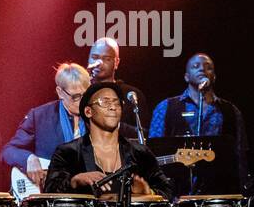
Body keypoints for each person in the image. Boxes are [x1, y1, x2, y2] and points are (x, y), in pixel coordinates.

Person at [44, 82, 173, 200]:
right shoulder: (68, 153)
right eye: (104, 102)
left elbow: (168, 192)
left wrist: (148, 192)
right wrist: (75, 181)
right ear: (88, 111)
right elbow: (49, 193)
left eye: (117, 103)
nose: (113, 107)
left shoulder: (140, 153)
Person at [148, 53, 248, 193]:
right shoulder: (166, 107)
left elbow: (240, 155)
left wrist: (242, 192)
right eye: (196, 66)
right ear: (186, 76)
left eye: (208, 67)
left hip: (218, 192)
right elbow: (154, 151)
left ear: (214, 76)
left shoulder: (230, 111)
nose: (202, 69)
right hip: (175, 192)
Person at [2, 62, 91, 189]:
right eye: (76, 97)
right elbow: (8, 151)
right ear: (60, 92)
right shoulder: (39, 116)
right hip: (48, 195)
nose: (82, 102)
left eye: (85, 95)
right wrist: (28, 158)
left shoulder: (95, 117)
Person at [85, 38, 148, 136]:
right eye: (94, 57)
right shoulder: (81, 92)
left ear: (117, 62)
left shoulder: (131, 95)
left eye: (107, 59)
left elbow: (144, 134)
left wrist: (113, 125)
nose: (99, 63)